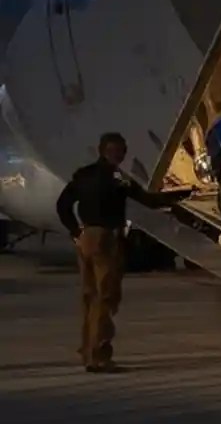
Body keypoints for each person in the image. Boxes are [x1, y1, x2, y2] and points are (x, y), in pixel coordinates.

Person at [55, 132, 187, 372]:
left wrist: (75, 231)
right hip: (106, 238)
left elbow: (62, 205)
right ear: (107, 151)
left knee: (89, 297)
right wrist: (182, 195)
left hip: (85, 238)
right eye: (119, 150)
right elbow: (148, 200)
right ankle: (99, 356)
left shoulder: (82, 175)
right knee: (106, 297)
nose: (121, 155)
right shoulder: (117, 177)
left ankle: (87, 350)